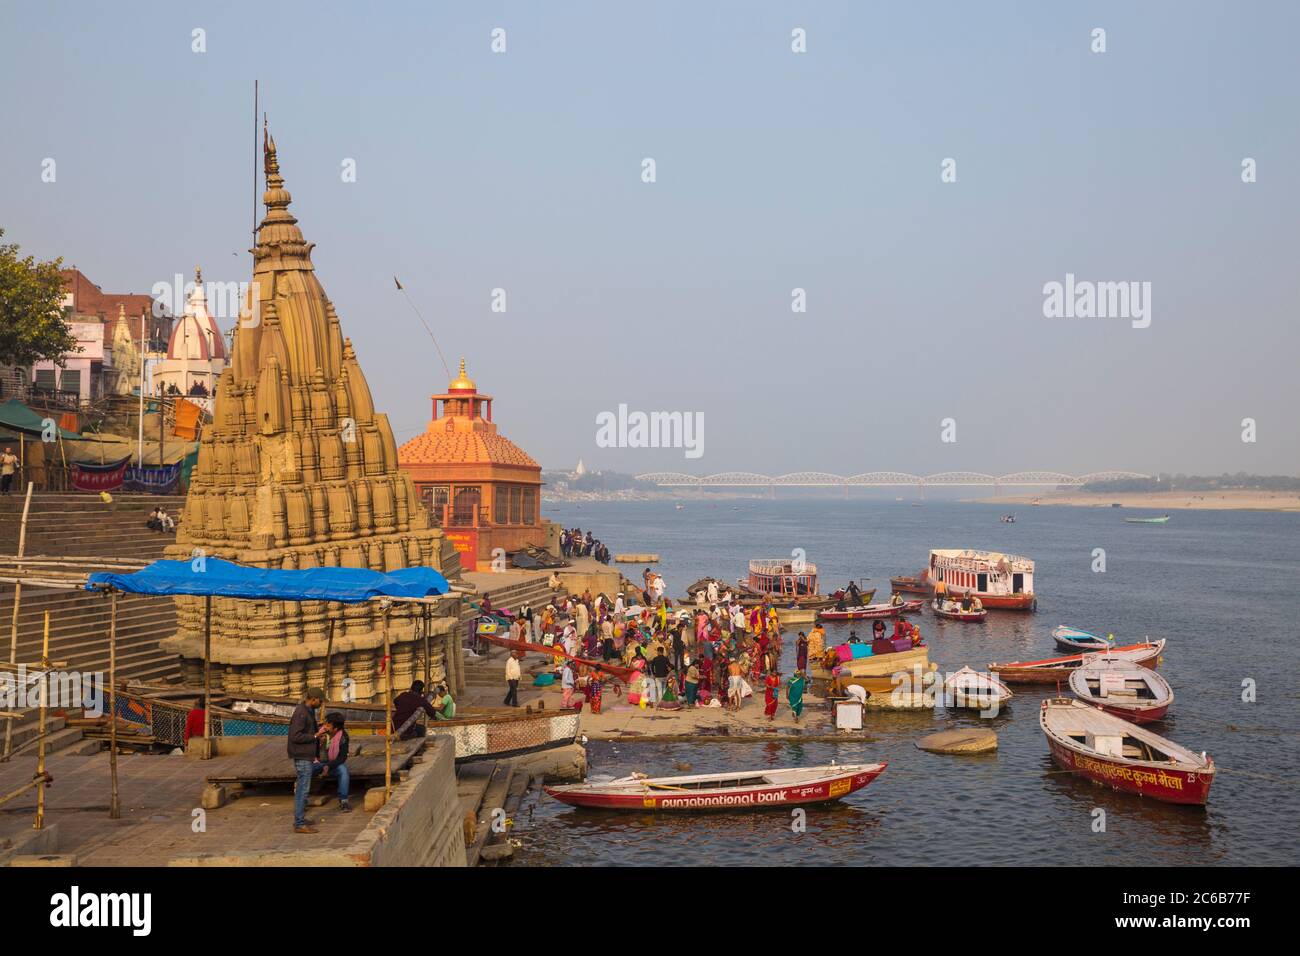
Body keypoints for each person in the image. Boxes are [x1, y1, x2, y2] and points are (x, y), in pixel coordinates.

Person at [288, 687, 325, 834]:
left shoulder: (308, 711)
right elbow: (295, 736)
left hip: (306, 755)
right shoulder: (301, 713)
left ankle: (300, 819)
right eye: (320, 701)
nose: (321, 704)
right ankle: (299, 823)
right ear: (313, 699)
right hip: (302, 755)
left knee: (303, 789)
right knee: (303, 790)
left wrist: (317, 738)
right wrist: (315, 736)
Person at [312, 711, 351, 813]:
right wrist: (317, 738)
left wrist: (328, 766)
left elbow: (342, 758)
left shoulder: (343, 737)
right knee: (305, 770)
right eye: (325, 724)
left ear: (336, 729)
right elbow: (307, 745)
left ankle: (344, 801)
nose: (325, 727)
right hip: (316, 763)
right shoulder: (318, 732)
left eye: (328, 726)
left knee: (343, 770)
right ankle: (302, 799)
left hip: (331, 764)